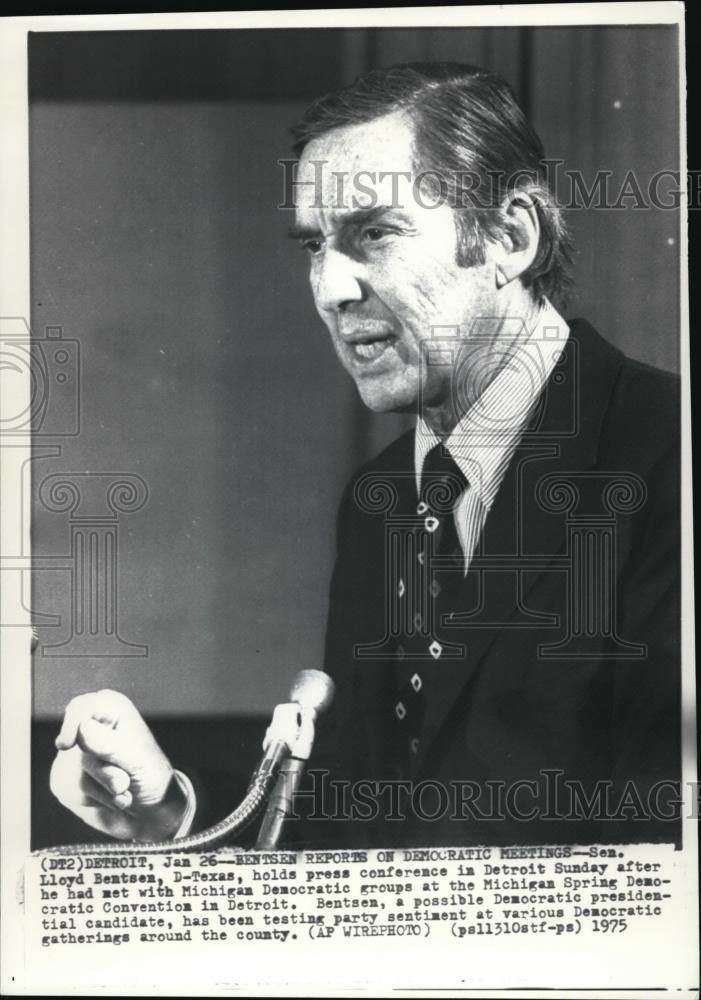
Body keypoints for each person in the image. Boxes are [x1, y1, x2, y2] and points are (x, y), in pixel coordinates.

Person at [48, 62, 681, 849]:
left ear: (510, 238)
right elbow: (361, 829)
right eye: (315, 246)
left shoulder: (669, 454)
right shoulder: (379, 496)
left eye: (373, 234)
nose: (329, 288)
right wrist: (167, 810)